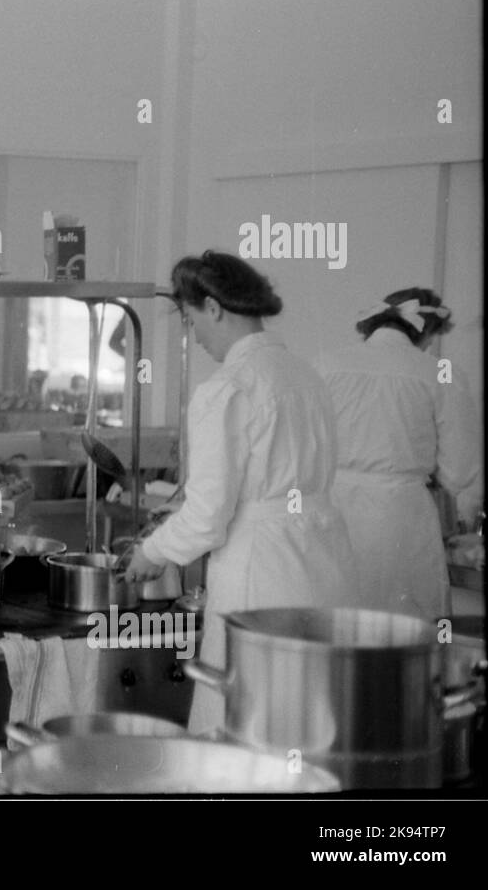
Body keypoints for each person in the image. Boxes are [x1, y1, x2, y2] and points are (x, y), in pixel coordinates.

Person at [123, 250, 359, 735]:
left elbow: (209, 515)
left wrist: (154, 550)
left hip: (261, 571)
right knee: (308, 717)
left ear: (213, 308)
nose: (198, 337)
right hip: (324, 562)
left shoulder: (227, 388)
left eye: (192, 321)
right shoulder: (306, 376)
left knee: (249, 719)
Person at [313, 288, 482, 619]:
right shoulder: (440, 372)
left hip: (333, 510)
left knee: (335, 624)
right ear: (427, 331)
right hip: (401, 516)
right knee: (403, 629)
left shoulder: (326, 363)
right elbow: (460, 470)